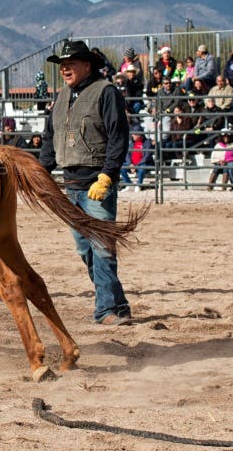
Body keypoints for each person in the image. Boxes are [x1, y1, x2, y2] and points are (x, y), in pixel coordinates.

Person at [39, 39, 131, 326]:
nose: (65, 69)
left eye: (71, 63)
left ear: (87, 65)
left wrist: (108, 175)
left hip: (97, 184)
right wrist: (40, 173)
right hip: (71, 185)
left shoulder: (106, 92)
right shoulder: (60, 100)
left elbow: (118, 136)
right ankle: (118, 303)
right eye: (62, 65)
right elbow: (48, 141)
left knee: (101, 246)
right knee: (85, 249)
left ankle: (106, 311)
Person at [120, 125, 153, 192]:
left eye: (134, 134)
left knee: (142, 167)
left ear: (139, 135)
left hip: (142, 164)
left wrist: (136, 165)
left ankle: (139, 185)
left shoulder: (147, 143)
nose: (132, 136)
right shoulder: (132, 143)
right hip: (132, 165)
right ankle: (129, 184)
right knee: (121, 167)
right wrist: (130, 164)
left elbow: (146, 157)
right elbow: (127, 155)